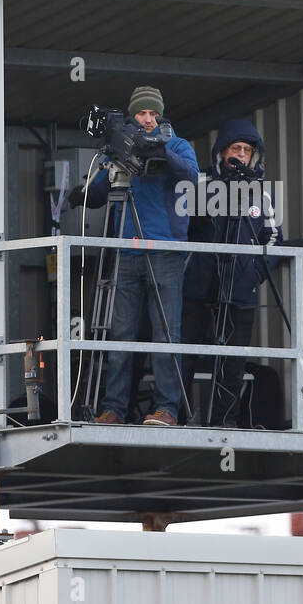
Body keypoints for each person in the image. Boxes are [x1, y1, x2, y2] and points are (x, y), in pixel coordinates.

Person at [82, 86, 199, 426]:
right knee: (121, 334)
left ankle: (168, 410)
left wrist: (159, 149)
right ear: (132, 116)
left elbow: (191, 176)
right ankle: (113, 409)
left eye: (152, 114)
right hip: (126, 251)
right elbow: (98, 192)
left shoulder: (177, 145)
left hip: (165, 250)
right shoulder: (122, 148)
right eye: (141, 114)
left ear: (160, 116)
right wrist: (86, 185)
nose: (147, 120)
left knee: (165, 333)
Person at [180, 119, 282, 427]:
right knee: (183, 355)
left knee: (232, 362)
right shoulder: (199, 184)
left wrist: (254, 274)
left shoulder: (262, 194)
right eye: (235, 149)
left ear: (254, 156)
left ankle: (225, 421)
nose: (240, 155)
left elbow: (274, 239)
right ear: (221, 153)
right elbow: (181, 228)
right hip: (198, 289)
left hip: (240, 291)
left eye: (247, 150)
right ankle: (179, 417)